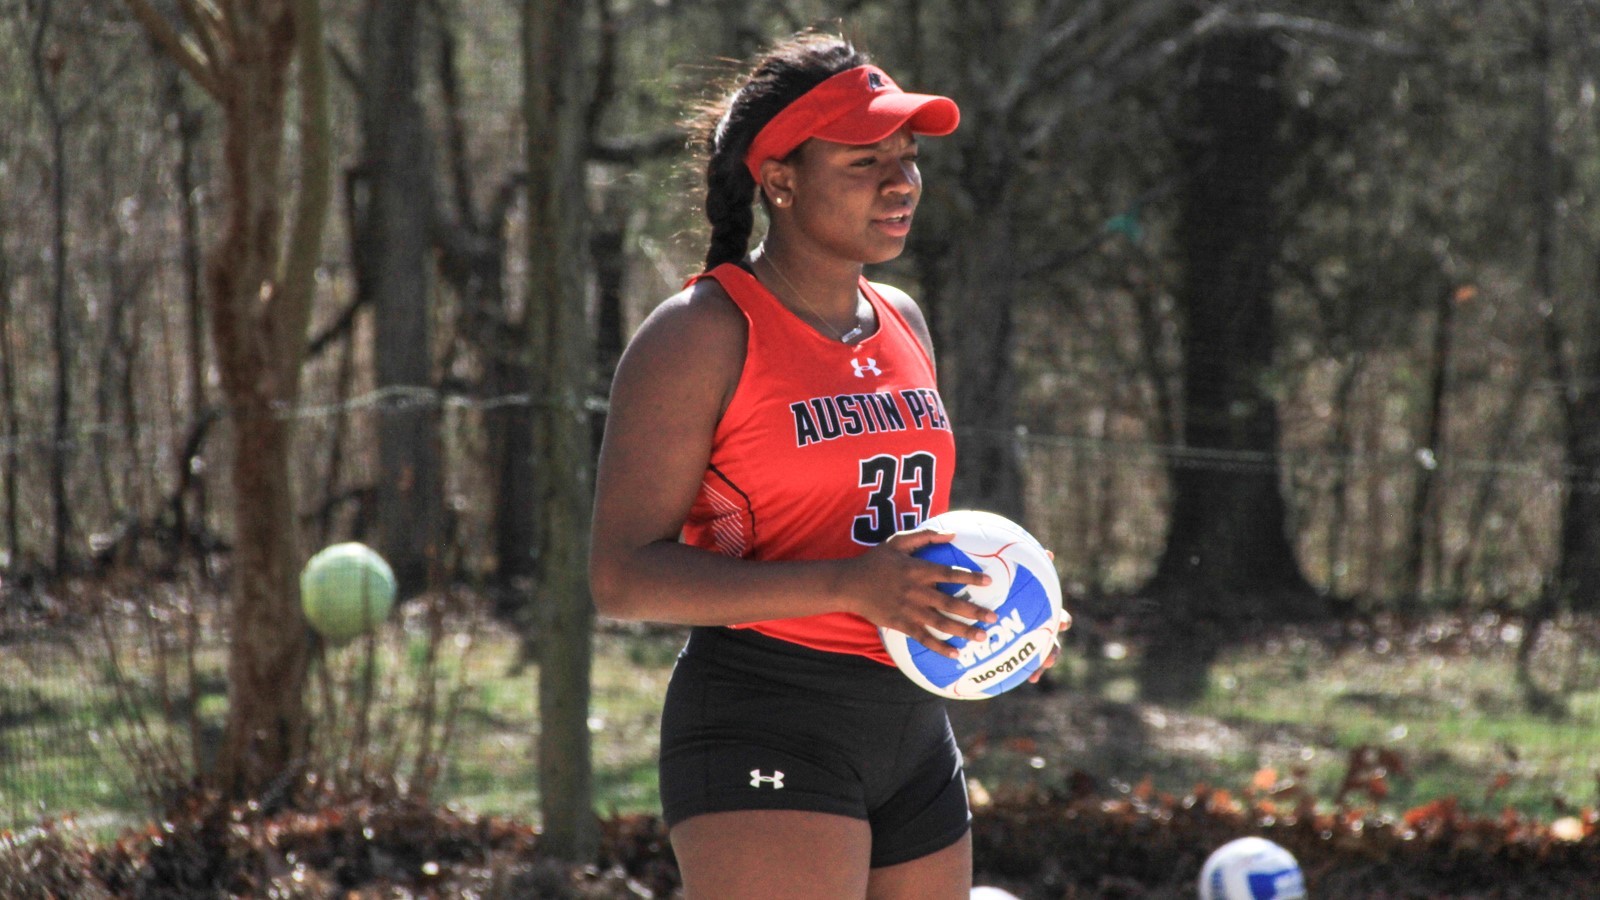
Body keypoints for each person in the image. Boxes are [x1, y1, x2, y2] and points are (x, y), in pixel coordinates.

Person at [589, 32, 1060, 899]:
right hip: (766, 716)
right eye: (865, 161)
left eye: (908, 158)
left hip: (914, 722)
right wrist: (850, 587)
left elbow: (900, 544)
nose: (901, 182)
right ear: (781, 179)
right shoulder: (701, 333)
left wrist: (1001, 603)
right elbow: (622, 577)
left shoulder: (904, 320)